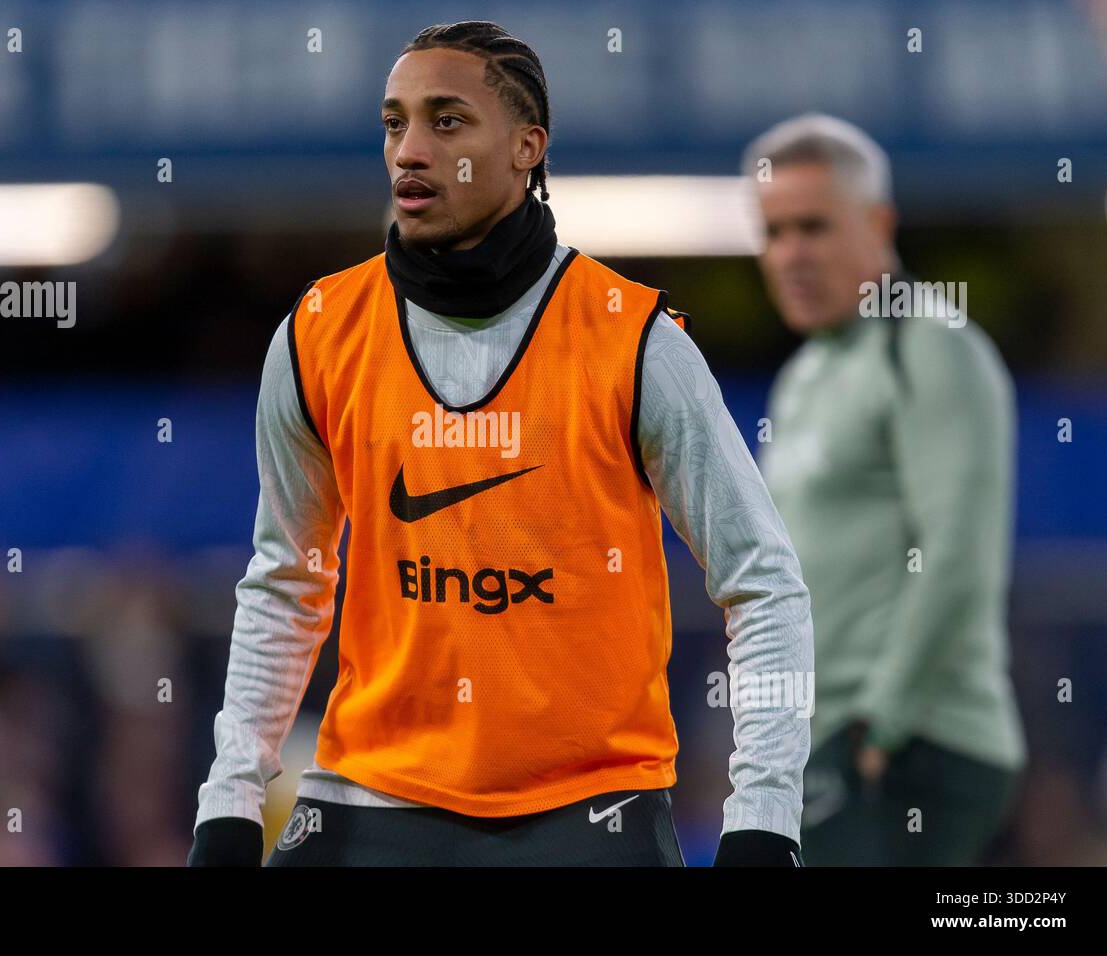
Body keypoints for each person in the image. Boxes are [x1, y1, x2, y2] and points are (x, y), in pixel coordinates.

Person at [188, 20, 813, 867]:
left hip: (590, 811)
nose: (410, 149)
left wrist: (765, 819)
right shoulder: (317, 334)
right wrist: (229, 796)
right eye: (394, 122)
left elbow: (765, 583)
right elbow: (286, 583)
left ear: (527, 147)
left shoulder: (635, 342)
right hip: (369, 802)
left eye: (447, 122)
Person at [744, 113, 1027, 865]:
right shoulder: (805, 376)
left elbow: (961, 553)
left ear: (878, 222)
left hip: (910, 745)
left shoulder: (929, 345)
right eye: (773, 233)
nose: (790, 254)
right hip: (825, 744)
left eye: (813, 227)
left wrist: (881, 725)